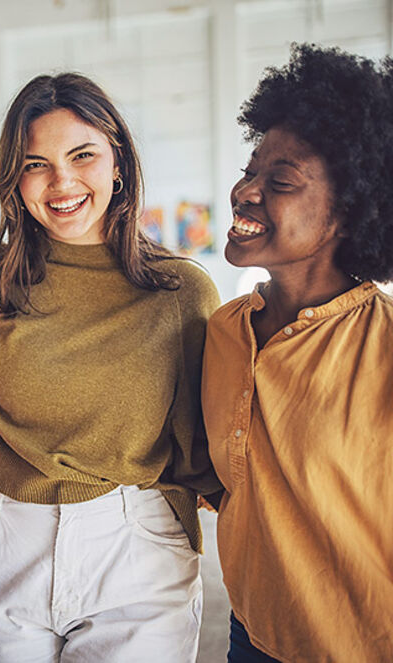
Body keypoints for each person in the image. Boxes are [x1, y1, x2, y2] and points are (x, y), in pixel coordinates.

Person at [0, 72, 222, 662]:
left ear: (118, 163)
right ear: (15, 179)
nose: (61, 183)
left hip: (136, 543)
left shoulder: (180, 291)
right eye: (36, 164)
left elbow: (213, 445)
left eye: (82, 155)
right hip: (10, 534)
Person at [201, 43, 393, 662]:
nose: (246, 191)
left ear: (348, 212)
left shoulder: (384, 347)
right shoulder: (226, 332)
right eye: (251, 169)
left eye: (279, 182)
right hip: (252, 632)